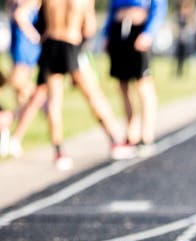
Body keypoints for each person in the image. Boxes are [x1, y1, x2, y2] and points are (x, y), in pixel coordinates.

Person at [36, 0, 134, 169]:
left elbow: (36, 20)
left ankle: (59, 152)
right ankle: (114, 140)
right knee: (93, 95)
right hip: (72, 45)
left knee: (54, 101)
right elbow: (89, 27)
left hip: (51, 45)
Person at [104, 0, 166, 154]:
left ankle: (147, 136)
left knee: (143, 86)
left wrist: (149, 32)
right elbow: (111, 8)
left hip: (139, 31)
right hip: (119, 32)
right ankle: (131, 134)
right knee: (123, 86)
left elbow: (158, 7)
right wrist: (106, 33)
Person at [7, 0, 42, 107]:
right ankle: (21, 113)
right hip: (17, 41)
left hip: (25, 44)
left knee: (16, 80)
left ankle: (42, 99)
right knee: (19, 90)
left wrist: (34, 36)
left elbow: (19, 15)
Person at [174, 0, 194, 78]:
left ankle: (185, 71)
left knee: (187, 55)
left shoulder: (189, 15)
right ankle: (179, 71)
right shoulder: (179, 15)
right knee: (179, 56)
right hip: (180, 39)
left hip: (187, 38)